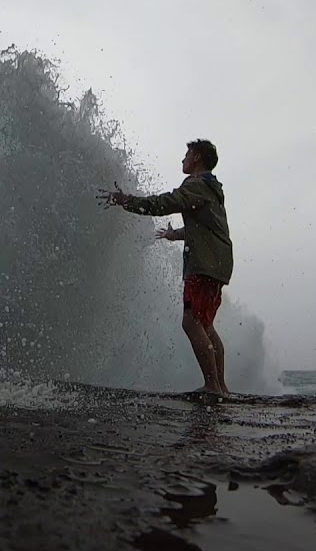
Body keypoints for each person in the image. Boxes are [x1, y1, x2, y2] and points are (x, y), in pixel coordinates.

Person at [98, 139, 235, 396]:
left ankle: (213, 386)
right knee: (205, 325)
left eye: (186, 154)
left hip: (204, 265)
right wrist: (177, 235)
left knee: (191, 322)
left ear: (196, 157)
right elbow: (208, 228)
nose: (183, 159)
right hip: (217, 262)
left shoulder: (196, 185)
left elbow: (165, 203)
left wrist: (126, 200)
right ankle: (221, 386)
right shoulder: (211, 189)